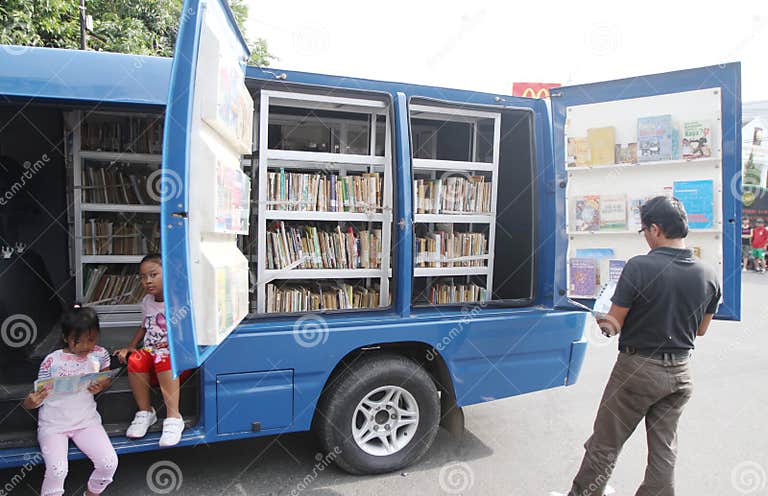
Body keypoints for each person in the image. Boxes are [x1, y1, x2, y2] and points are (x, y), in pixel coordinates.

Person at [561, 196, 721, 496]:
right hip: (681, 374)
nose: (646, 237)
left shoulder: (639, 267)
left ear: (656, 229)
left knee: (605, 444)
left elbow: (613, 325)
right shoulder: (709, 273)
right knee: (664, 449)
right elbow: (701, 330)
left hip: (638, 371)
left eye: (645, 231)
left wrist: (601, 318)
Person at [23, 305, 118, 496]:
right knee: (58, 470)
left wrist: (102, 385)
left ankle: (91, 494)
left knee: (109, 463)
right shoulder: (52, 361)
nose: (84, 346)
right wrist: (30, 403)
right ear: (66, 338)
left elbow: (106, 377)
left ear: (97, 335)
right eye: (78, 341)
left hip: (86, 421)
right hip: (54, 425)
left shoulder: (100, 354)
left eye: (90, 339)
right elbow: (36, 396)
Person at [113, 254, 184, 447]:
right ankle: (145, 412)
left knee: (162, 357)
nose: (148, 281)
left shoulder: (177, 300)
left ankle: (174, 417)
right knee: (135, 359)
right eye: (143, 277)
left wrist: (172, 343)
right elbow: (144, 326)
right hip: (151, 353)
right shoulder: (146, 301)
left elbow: (186, 331)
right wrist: (131, 346)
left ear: (167, 274)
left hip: (173, 361)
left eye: (153, 274)